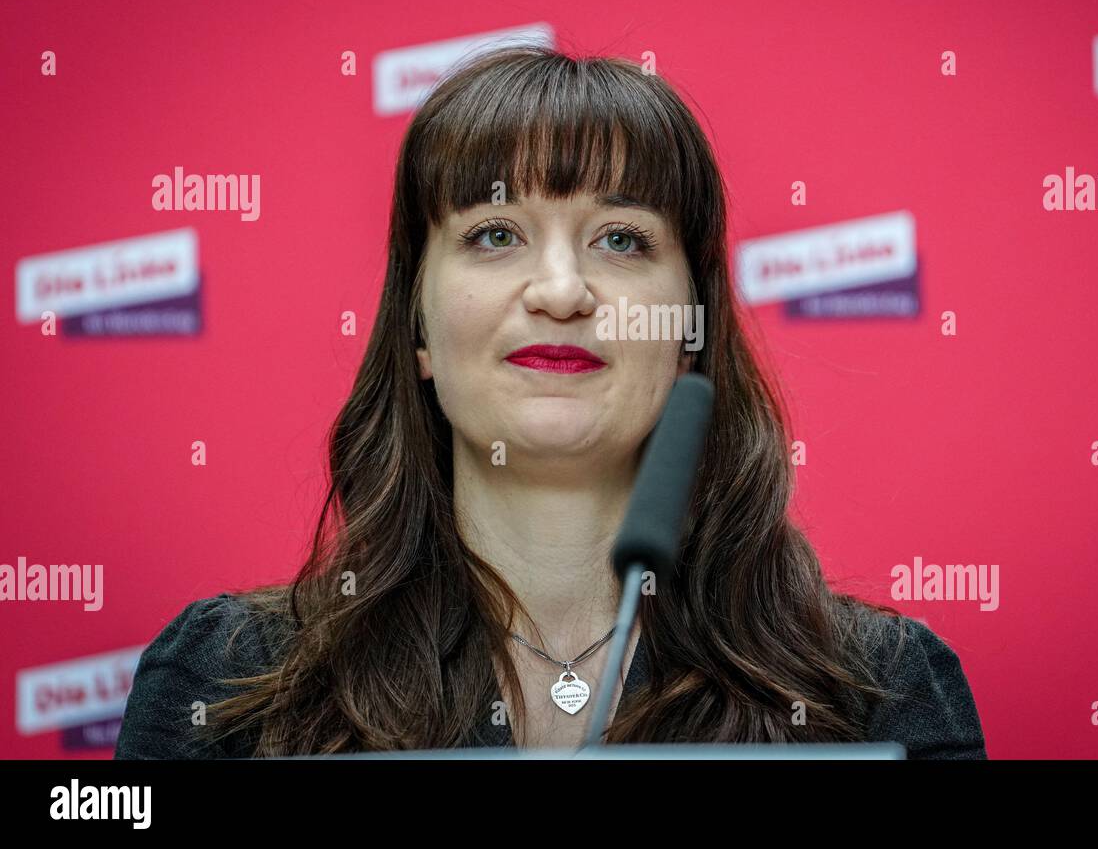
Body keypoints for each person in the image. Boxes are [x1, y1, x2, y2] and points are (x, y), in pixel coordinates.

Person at [114, 43, 987, 759]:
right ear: (418, 328)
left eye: (621, 239)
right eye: (495, 235)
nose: (563, 291)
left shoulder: (877, 690)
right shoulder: (228, 681)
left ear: (692, 323)